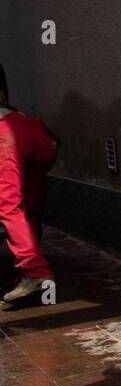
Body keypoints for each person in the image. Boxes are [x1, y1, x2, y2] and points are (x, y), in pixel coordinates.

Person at [0, 63, 59, 304]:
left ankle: (35, 271)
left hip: (7, 136)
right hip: (36, 132)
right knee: (30, 204)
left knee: (8, 205)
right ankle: (32, 264)